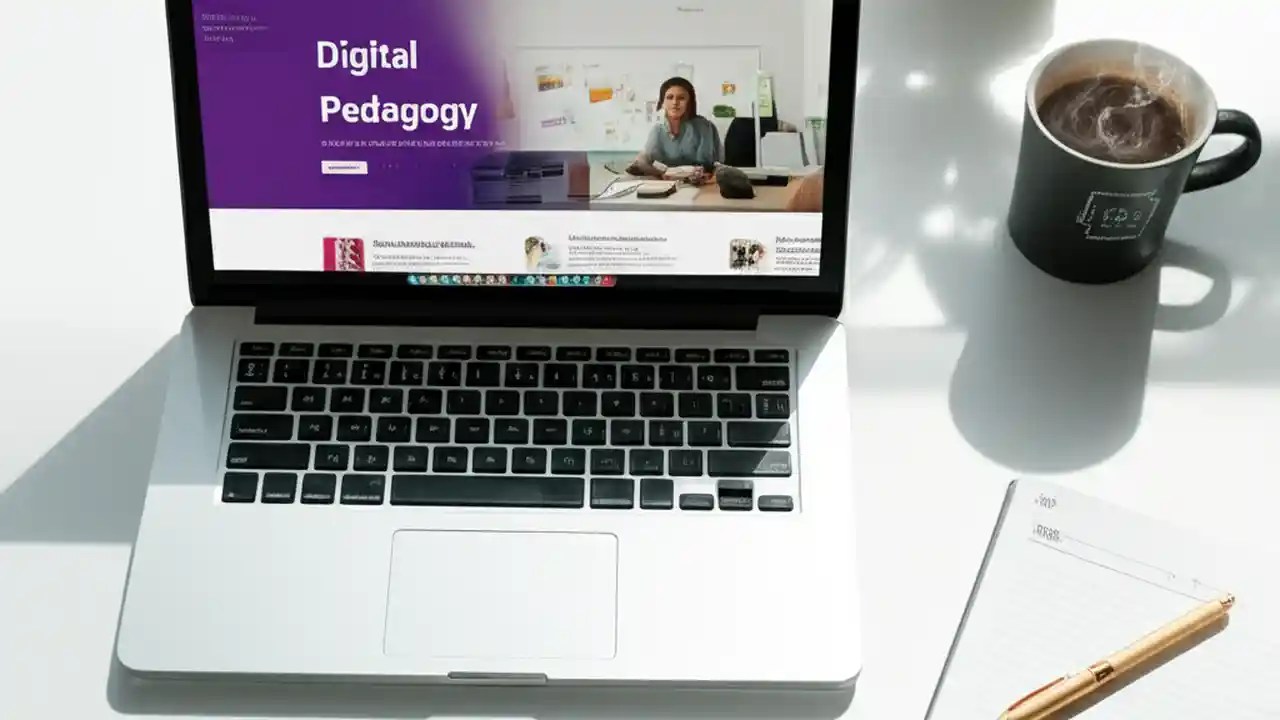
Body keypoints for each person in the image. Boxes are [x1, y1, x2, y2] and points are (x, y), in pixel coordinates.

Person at [629, 77, 720, 183]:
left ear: (689, 102)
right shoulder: (657, 130)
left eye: (681, 98)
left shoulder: (704, 127)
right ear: (662, 102)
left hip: (700, 185)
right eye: (669, 97)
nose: (675, 102)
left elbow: (707, 165)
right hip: (666, 184)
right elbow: (647, 161)